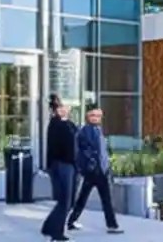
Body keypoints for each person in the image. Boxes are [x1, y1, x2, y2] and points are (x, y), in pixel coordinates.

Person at [67, 106, 122, 235]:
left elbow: (102, 151)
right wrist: (94, 164)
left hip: (99, 170)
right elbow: (85, 151)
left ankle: (71, 221)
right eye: (93, 115)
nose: (96, 118)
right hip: (95, 171)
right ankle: (112, 225)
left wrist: (107, 165)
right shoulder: (85, 131)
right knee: (105, 199)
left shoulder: (97, 130)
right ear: (87, 116)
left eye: (98, 116)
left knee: (83, 197)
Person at [40, 95, 77, 241]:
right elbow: (67, 145)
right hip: (64, 165)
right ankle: (55, 231)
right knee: (65, 201)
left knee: (67, 201)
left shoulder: (64, 124)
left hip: (67, 165)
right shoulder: (58, 125)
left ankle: (49, 227)